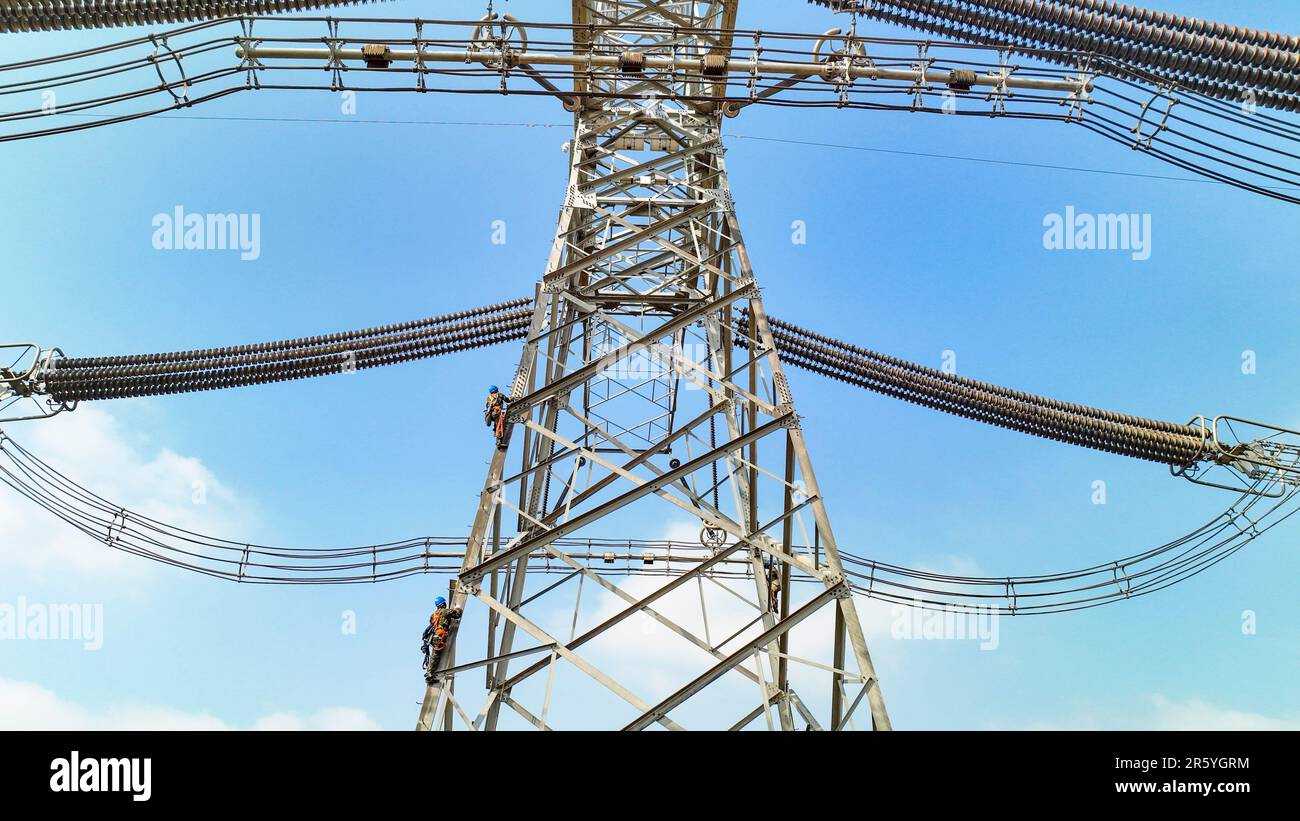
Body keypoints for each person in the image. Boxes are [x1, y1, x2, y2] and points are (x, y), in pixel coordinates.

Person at [421, 596, 462, 684]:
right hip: (440, 636)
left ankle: (430, 672)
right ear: (443, 604)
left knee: (435, 655)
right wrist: (458, 607)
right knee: (435, 656)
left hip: (434, 636)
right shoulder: (446, 611)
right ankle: (429, 675)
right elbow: (457, 615)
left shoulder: (433, 615)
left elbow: (431, 624)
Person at [484, 385, 509, 449]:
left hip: (491, 414)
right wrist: (512, 399)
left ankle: (498, 440)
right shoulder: (499, 395)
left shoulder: (489, 397)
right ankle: (499, 442)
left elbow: (487, 407)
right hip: (497, 413)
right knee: (499, 426)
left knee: (496, 426)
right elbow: (507, 400)